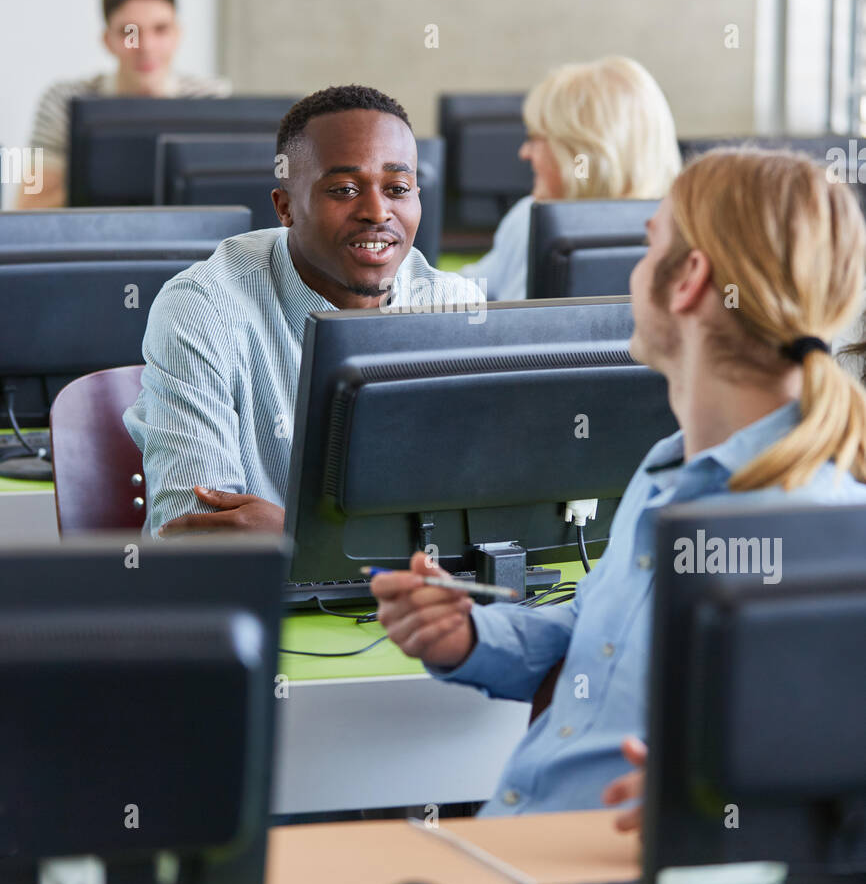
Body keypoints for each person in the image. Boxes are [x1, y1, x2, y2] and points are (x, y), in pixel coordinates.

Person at [373, 147, 866, 816]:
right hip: (527, 846)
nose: (635, 273)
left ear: (690, 279)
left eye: (648, 244)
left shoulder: (819, 524)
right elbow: (596, 628)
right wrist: (470, 637)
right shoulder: (672, 466)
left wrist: (735, 811)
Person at [124, 84, 485, 538]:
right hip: (254, 605)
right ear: (286, 207)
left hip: (418, 598)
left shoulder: (456, 306)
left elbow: (484, 511)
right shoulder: (202, 309)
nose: (377, 211)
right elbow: (196, 534)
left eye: (398, 188)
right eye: (345, 189)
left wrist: (295, 537)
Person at [459, 56, 682, 300]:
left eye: (535, 138)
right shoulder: (529, 216)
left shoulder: (678, 239)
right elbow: (471, 287)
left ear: (577, 150)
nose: (524, 153)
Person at [16, 0, 229, 208]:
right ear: (108, 40)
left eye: (160, 29)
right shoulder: (65, 101)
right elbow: (29, 207)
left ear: (177, 35)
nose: (146, 46)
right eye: (130, 32)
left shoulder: (211, 99)